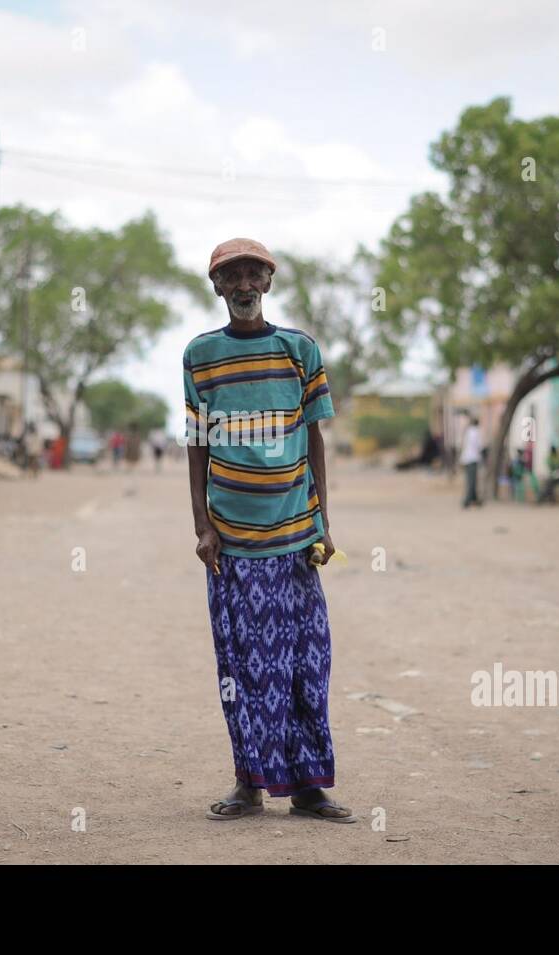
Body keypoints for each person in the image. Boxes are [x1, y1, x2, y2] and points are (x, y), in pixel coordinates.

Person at [185, 237, 353, 824]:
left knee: (307, 664)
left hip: (293, 537)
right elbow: (197, 443)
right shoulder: (200, 356)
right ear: (217, 287)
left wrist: (323, 522)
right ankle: (248, 784)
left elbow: (314, 438)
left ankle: (308, 789)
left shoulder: (299, 349)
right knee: (243, 669)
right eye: (231, 276)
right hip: (231, 544)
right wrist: (202, 525)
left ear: (269, 282)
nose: (244, 284)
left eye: (254, 273)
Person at [460, 415, 483, 508]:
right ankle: (467, 500)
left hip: (466, 459)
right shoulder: (476, 432)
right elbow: (478, 445)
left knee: (470, 480)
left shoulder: (468, 431)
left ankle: (474, 499)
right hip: (473, 459)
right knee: (472, 481)